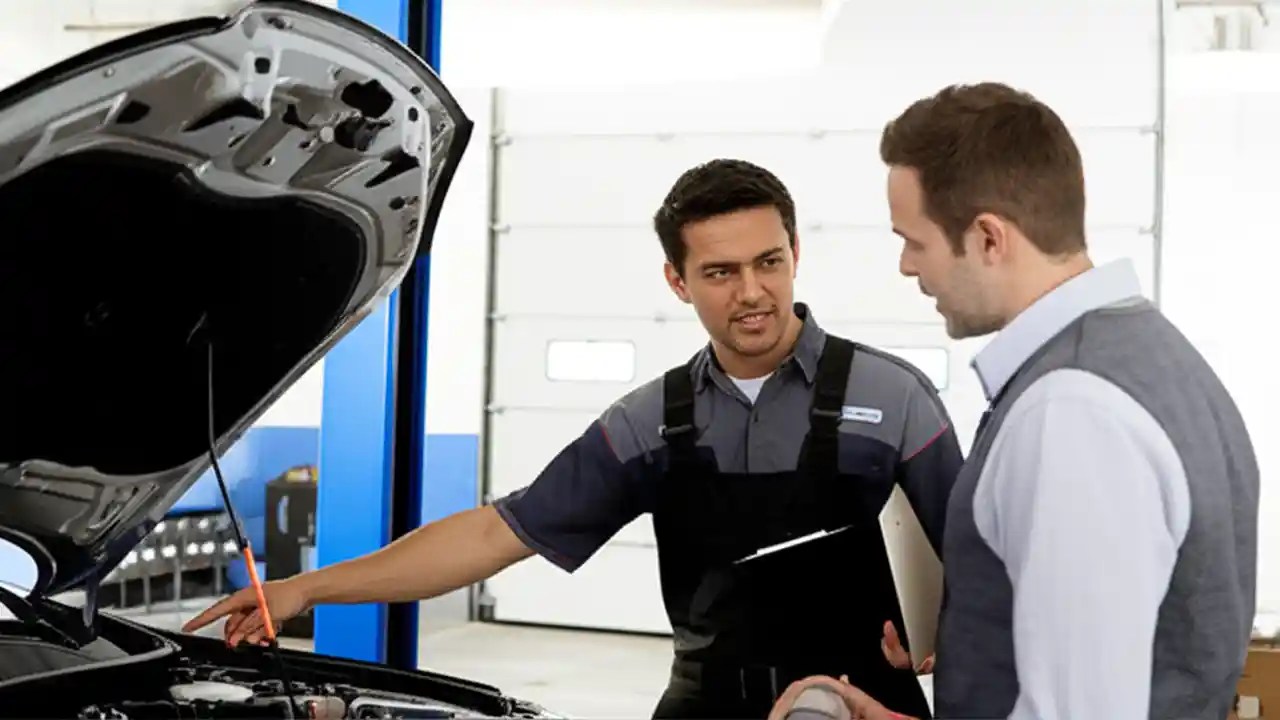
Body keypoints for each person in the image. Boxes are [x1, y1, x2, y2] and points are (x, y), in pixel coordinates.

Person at [182, 158, 963, 719]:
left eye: (769, 262)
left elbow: (984, 564)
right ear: (677, 281)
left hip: (865, 704)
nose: (753, 291)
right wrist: (303, 588)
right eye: (721, 272)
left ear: (796, 255)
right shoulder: (650, 423)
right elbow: (497, 532)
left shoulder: (890, 397)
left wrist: (947, 643)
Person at [778, 82, 1260, 720]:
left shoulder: (1070, 411)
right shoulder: (1156, 358)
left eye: (914, 241)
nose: (904, 266)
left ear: (987, 239)